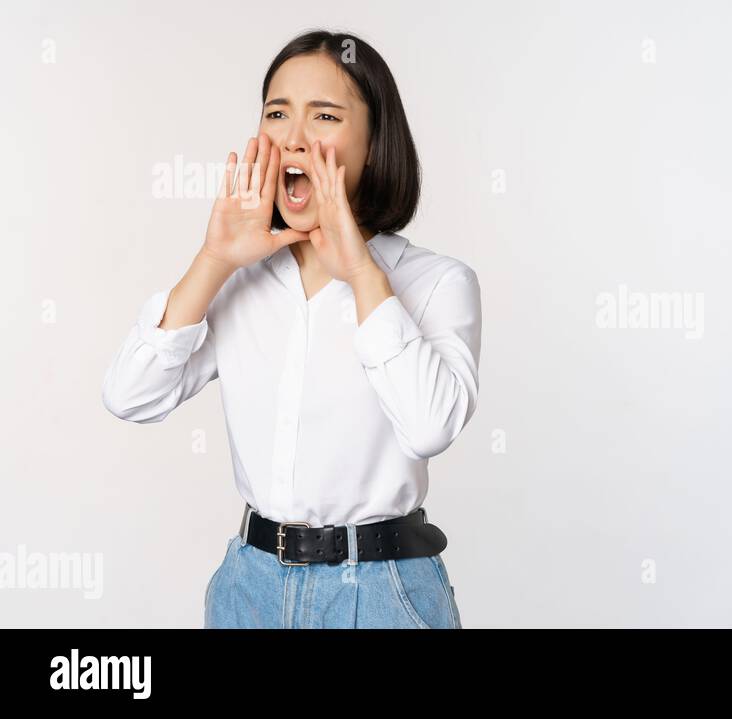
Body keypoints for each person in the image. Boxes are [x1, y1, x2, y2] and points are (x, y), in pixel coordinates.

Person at [101, 29, 480, 629]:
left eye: (325, 115)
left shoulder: (437, 282)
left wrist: (360, 271)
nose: (295, 137)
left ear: (374, 141)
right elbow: (130, 396)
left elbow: (431, 426)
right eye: (277, 113)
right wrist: (214, 260)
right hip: (249, 587)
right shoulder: (243, 280)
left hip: (381, 591)